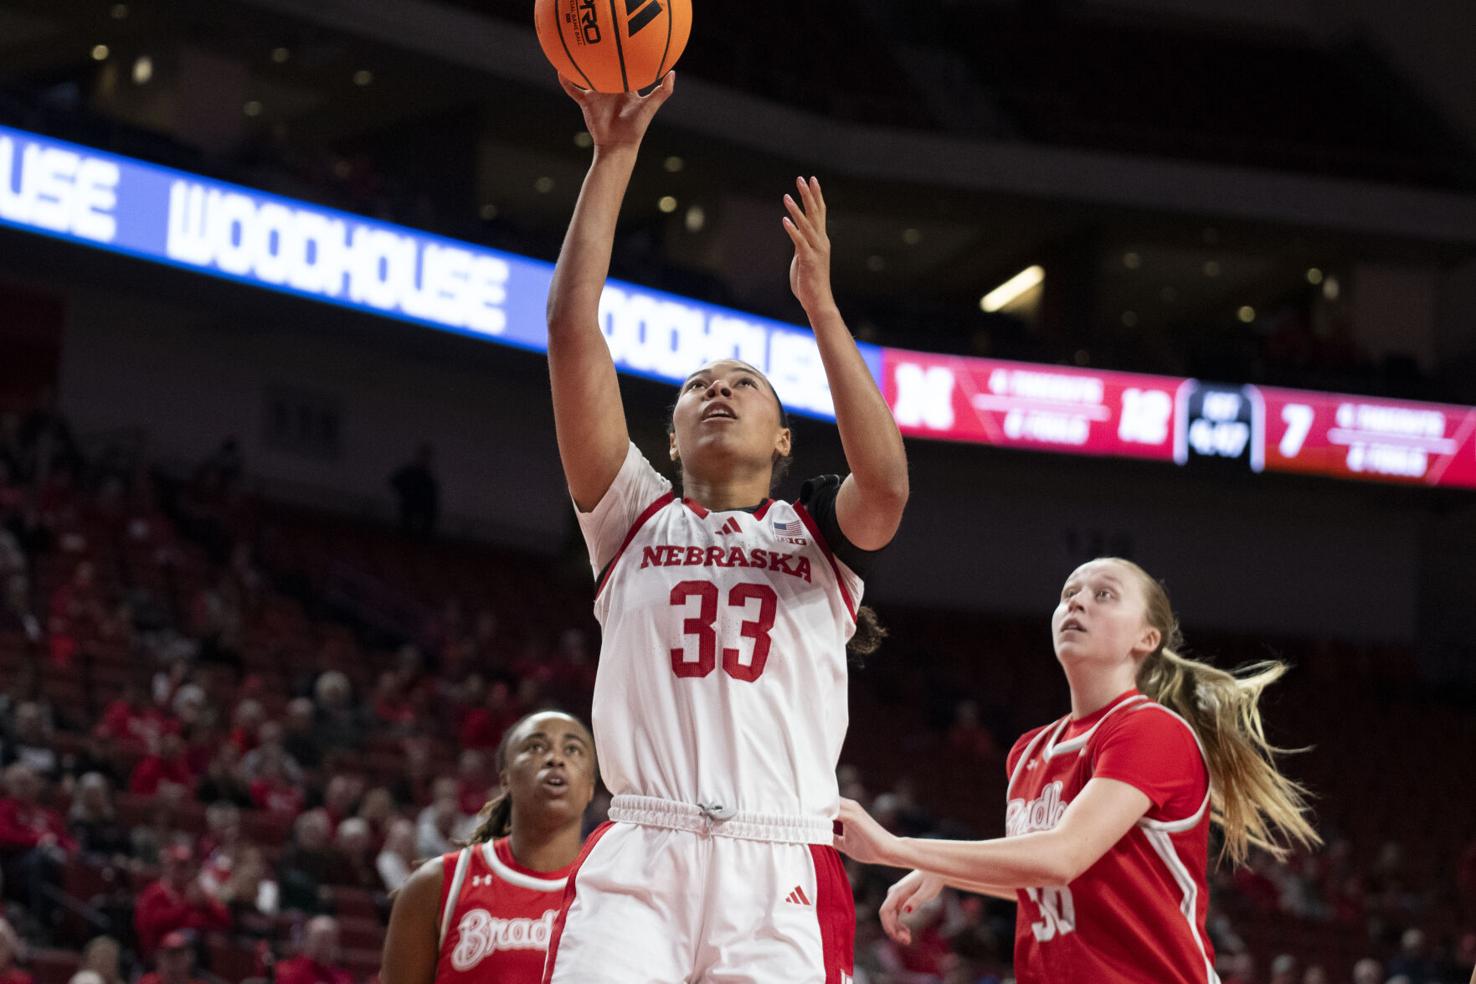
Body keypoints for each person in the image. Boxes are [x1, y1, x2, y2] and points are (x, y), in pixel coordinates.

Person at [538, 71, 908, 984]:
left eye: (743, 382)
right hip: (644, 848)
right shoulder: (628, 512)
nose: (717, 389)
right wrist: (613, 155)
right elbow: (569, 328)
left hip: (778, 855)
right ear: (666, 435)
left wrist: (820, 306)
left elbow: (888, 486)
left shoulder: (818, 530)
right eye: (699, 384)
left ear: (783, 438)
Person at [833, 557, 1320, 984]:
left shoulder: (1150, 730)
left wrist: (894, 848)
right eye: (1068, 595)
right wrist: (945, 869)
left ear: (1147, 637)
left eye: (1103, 594)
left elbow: (1063, 856)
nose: (1077, 603)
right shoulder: (1029, 750)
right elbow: (1052, 883)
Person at [380, 711, 597, 984]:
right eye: (535, 747)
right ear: (505, 779)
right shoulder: (436, 884)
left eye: (572, 749)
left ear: (590, 787)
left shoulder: (611, 891)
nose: (555, 759)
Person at [275, 916, 355, 984]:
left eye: (329, 940)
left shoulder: (343, 978)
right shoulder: (288, 972)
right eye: (320, 939)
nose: (324, 946)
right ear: (308, 940)